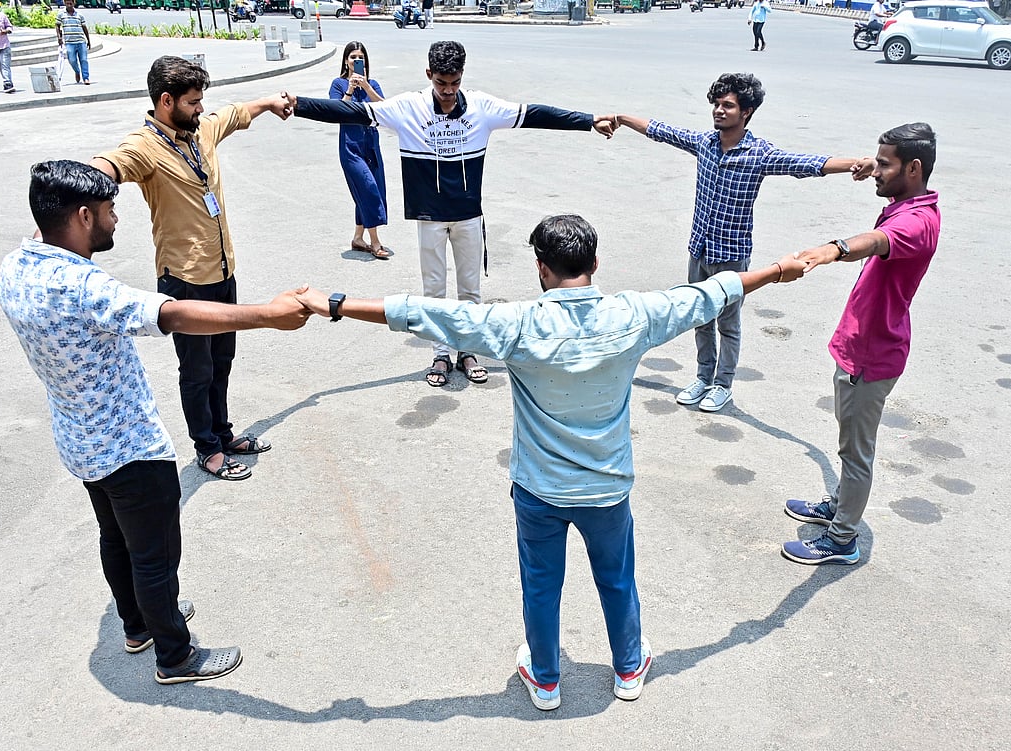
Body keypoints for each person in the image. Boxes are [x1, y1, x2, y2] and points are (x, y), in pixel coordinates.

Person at [295, 214, 808, 709]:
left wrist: (334, 304)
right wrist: (780, 270)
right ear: (596, 262)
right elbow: (712, 293)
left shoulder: (516, 324)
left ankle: (545, 680)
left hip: (539, 490)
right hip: (607, 489)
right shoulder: (634, 314)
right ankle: (629, 668)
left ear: (541, 268)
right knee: (617, 578)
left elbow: (422, 312)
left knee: (541, 584)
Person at [0, 161, 312, 683]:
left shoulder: (16, 266)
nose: (117, 219)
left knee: (115, 538)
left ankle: (139, 624)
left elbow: (44, 224)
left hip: (80, 440)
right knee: (154, 555)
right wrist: (268, 314)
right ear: (80, 217)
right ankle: (176, 655)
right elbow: (171, 314)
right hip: (129, 447)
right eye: (107, 211)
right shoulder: (84, 288)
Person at [289, 41, 614, 388]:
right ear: (429, 75)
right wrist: (298, 106)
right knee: (433, 289)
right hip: (428, 216)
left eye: (454, 83)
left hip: (467, 216)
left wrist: (587, 121)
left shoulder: (481, 107)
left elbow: (534, 114)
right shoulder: (408, 108)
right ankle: (441, 353)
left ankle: (468, 350)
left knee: (470, 290)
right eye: (441, 83)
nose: (447, 91)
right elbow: (351, 113)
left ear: (462, 76)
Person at [607, 74, 874, 413]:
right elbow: (662, 130)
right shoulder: (705, 142)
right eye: (716, 104)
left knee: (728, 325)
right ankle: (703, 377)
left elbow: (806, 164)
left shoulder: (759, 154)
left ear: (746, 112)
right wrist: (622, 118)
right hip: (700, 250)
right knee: (699, 318)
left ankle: (723, 385)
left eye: (727, 106)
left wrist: (855, 163)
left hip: (732, 256)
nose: (719, 111)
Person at [90, 57, 295, 482]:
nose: (201, 109)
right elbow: (110, 164)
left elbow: (235, 114)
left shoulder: (199, 130)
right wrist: (71, 192)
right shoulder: (144, 147)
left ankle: (223, 431)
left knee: (223, 360)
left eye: (201, 101)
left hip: (222, 271)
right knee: (197, 369)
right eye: (192, 102)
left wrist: (270, 102)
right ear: (166, 101)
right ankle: (207, 447)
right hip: (185, 281)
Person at [781, 123, 940, 566]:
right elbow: (888, 188)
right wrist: (874, 164)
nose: (876, 172)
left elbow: (878, 242)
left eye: (884, 165)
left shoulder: (916, 222)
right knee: (848, 442)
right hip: (862, 346)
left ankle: (842, 539)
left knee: (855, 451)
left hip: (873, 355)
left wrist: (831, 249)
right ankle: (839, 508)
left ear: (913, 168)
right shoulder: (909, 199)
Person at [331, 41, 391, 260]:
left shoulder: (372, 83)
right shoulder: (338, 84)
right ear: (346, 61)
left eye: (360, 57)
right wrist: (350, 90)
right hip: (350, 147)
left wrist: (366, 88)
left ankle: (358, 238)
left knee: (366, 192)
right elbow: (336, 111)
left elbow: (385, 108)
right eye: (353, 57)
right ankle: (375, 242)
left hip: (371, 145)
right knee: (368, 189)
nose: (357, 61)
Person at [56, 0, 91, 85]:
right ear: (64, 3)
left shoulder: (79, 15)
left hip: (81, 41)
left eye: (70, 3)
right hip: (69, 42)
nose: (69, 5)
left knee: (84, 60)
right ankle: (77, 71)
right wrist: (59, 38)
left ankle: (86, 78)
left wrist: (88, 40)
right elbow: (57, 26)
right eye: (67, 3)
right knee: (72, 60)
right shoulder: (61, 14)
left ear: (74, 3)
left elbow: (84, 28)